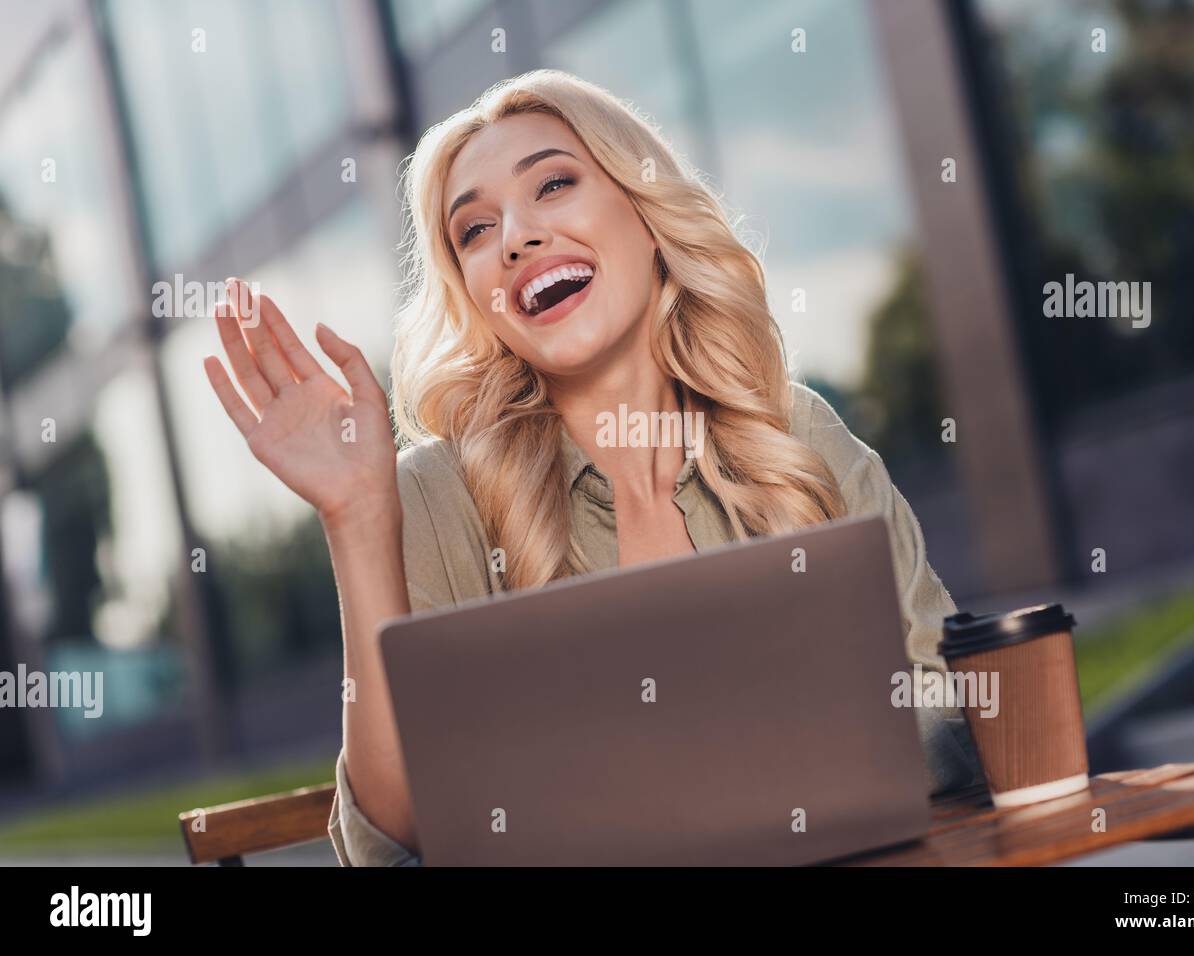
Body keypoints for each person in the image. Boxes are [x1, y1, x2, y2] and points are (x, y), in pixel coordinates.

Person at [202, 69, 983, 867]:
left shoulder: (793, 433)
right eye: (474, 232)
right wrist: (357, 516)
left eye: (554, 184)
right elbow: (392, 843)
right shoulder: (433, 497)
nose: (514, 237)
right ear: (478, 299)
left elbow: (947, 705)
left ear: (647, 218)